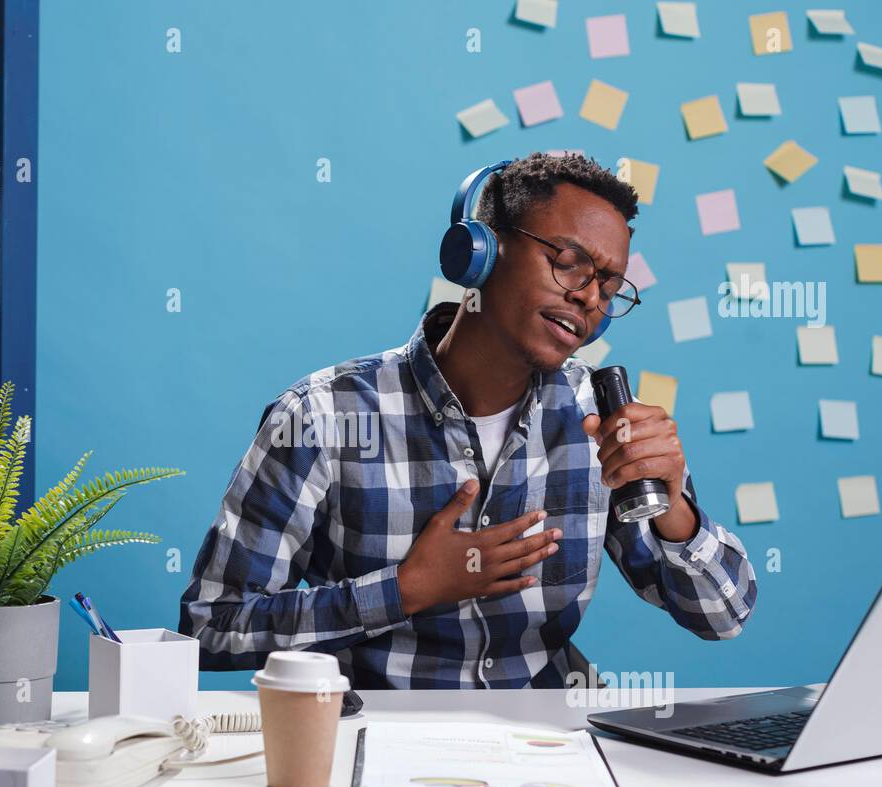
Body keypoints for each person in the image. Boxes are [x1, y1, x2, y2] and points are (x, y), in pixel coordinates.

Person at [179, 152, 757, 689]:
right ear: (477, 252)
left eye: (609, 286)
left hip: (551, 752)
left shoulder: (599, 420)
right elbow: (210, 626)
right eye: (570, 263)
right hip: (379, 742)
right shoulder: (323, 415)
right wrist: (403, 591)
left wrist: (674, 507)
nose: (589, 299)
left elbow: (723, 615)